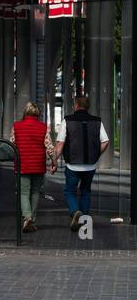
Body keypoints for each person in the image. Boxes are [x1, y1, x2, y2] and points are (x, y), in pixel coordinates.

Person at [54, 95, 110, 232]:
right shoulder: (97, 121)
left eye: (74, 104)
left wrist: (54, 161)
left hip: (72, 165)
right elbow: (106, 141)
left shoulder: (67, 120)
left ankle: (75, 212)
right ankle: (84, 221)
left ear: (77, 105)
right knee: (85, 191)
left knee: (69, 190)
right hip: (90, 165)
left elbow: (60, 144)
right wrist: (96, 155)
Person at [10, 102, 52, 234]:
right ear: (38, 114)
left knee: (23, 192)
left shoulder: (16, 126)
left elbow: (11, 144)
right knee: (35, 192)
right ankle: (31, 220)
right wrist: (54, 161)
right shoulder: (44, 127)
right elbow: (49, 147)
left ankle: (27, 217)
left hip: (22, 164)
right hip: (38, 164)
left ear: (25, 112)